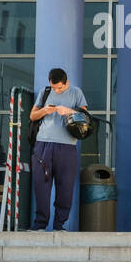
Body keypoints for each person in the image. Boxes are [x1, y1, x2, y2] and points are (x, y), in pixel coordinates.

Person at [29, 67, 89, 232]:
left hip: (67, 146)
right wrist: (44, 110)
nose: (56, 90)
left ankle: (59, 225)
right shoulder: (45, 92)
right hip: (43, 144)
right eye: (54, 87)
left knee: (65, 187)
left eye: (60, 87)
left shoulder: (76, 93)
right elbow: (32, 116)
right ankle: (40, 224)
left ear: (66, 82)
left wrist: (68, 110)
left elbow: (86, 116)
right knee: (41, 186)